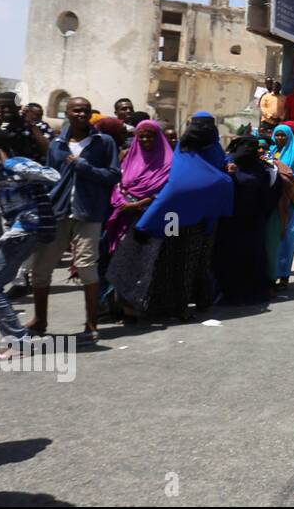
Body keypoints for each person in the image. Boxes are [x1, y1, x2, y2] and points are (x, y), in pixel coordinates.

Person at [28, 97, 120, 344]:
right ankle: (40, 321)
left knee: (87, 266)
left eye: (86, 110)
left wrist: (83, 166)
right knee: (40, 270)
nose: (81, 113)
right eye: (76, 109)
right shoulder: (58, 142)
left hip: (88, 212)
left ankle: (91, 326)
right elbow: (50, 174)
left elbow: (113, 175)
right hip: (57, 212)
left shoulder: (104, 142)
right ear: (66, 113)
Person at [130, 113, 233, 319]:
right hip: (197, 217)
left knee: (174, 257)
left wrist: (145, 224)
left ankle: (176, 303)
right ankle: (183, 305)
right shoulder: (206, 148)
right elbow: (178, 186)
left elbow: (174, 189)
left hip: (175, 215)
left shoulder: (185, 150)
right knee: (188, 260)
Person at [0, 129, 58, 351]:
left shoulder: (19, 163)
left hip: (30, 228)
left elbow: (53, 176)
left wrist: (8, 163)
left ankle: (19, 341)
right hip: (14, 232)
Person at [214, 136, 283, 305]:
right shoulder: (229, 167)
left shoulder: (261, 169)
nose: (250, 150)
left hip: (249, 221)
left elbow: (269, 196)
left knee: (250, 256)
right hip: (236, 222)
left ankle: (247, 292)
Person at [104, 119, 172, 256]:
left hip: (153, 217)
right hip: (124, 213)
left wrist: (138, 204)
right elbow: (118, 181)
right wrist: (121, 201)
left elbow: (169, 191)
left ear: (158, 137)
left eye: (150, 135)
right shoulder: (128, 156)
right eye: (141, 136)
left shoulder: (170, 162)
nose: (145, 139)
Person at [267, 122, 294, 288]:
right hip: (273, 202)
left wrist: (284, 176)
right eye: (277, 134)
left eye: (283, 135)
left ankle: (284, 275)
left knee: (286, 238)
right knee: (273, 238)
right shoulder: (272, 151)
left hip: (289, 202)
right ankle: (271, 274)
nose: (279, 138)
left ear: (289, 136)